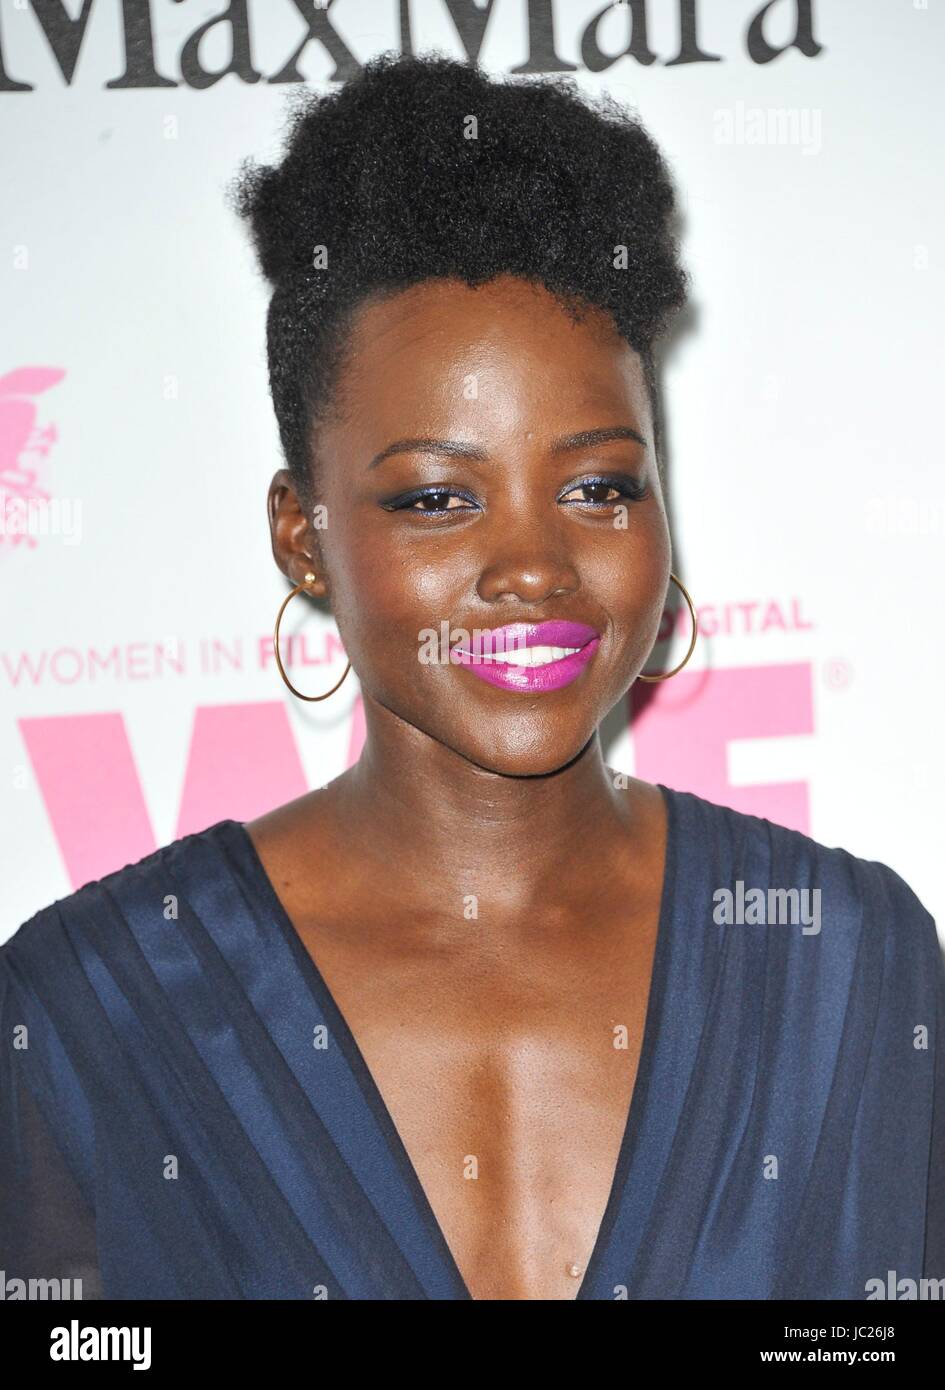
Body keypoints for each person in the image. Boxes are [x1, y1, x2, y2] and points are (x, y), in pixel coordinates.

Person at [1, 51, 942, 1302]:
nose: (533, 567)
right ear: (303, 536)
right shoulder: (87, 1012)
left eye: (598, 486)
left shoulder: (850, 963)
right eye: (439, 497)